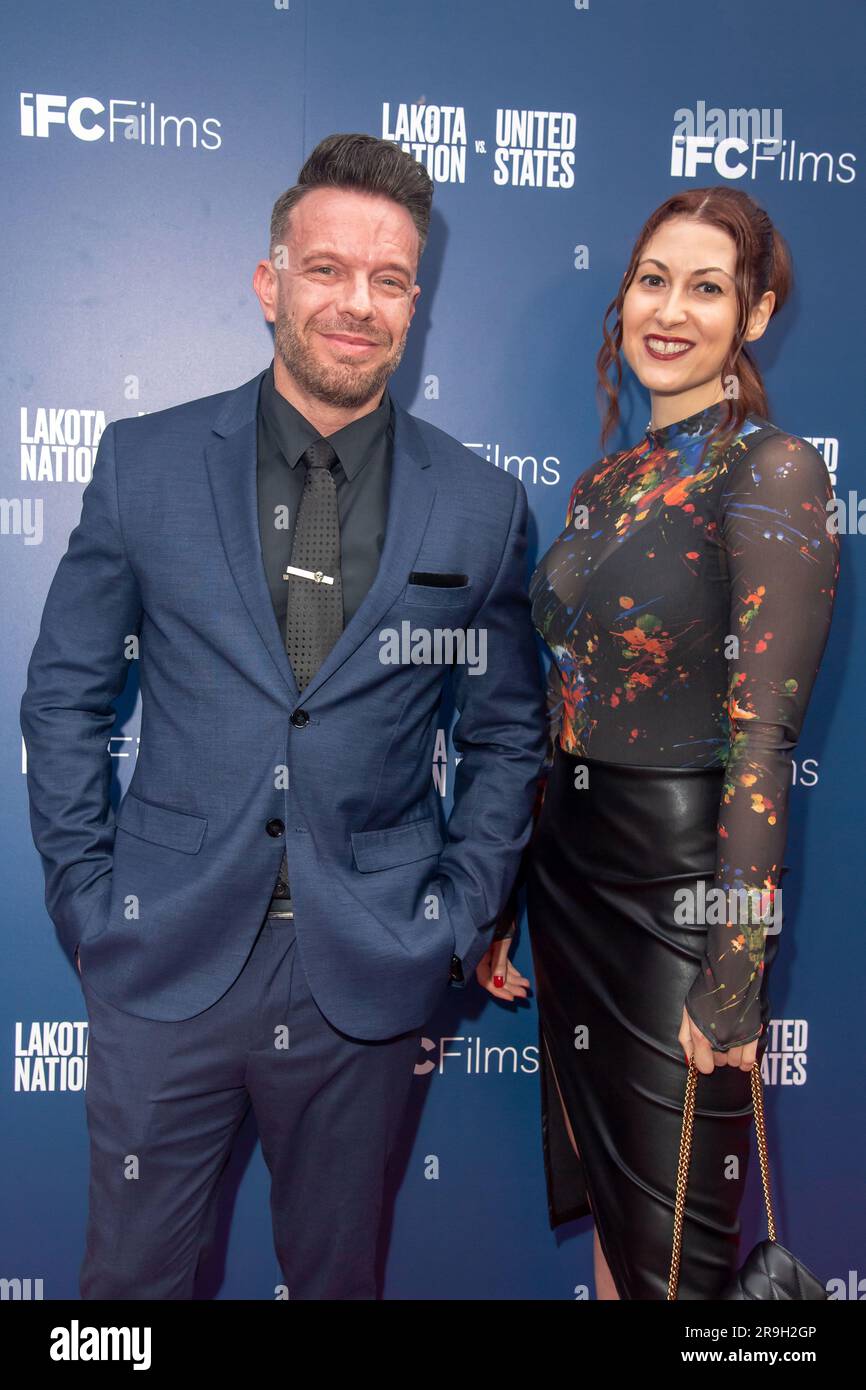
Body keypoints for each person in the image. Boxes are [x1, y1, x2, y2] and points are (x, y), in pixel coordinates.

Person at [19, 132, 547, 1300]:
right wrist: (87, 899)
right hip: (163, 958)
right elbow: (63, 694)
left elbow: (507, 733)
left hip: (366, 971)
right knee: (123, 1296)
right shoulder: (144, 464)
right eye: (326, 269)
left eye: (390, 278)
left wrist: (456, 918)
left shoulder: (479, 503)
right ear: (271, 283)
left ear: (415, 299)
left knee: (336, 1283)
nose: (356, 303)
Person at [480, 187, 839, 1299]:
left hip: (682, 897)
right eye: (650, 279)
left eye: (705, 287)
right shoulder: (603, 483)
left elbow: (763, 740)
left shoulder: (768, 469)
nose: (668, 310)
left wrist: (733, 975)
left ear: (755, 314)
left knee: (676, 1264)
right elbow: (563, 701)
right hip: (571, 880)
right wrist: (505, 895)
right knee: (617, 1234)